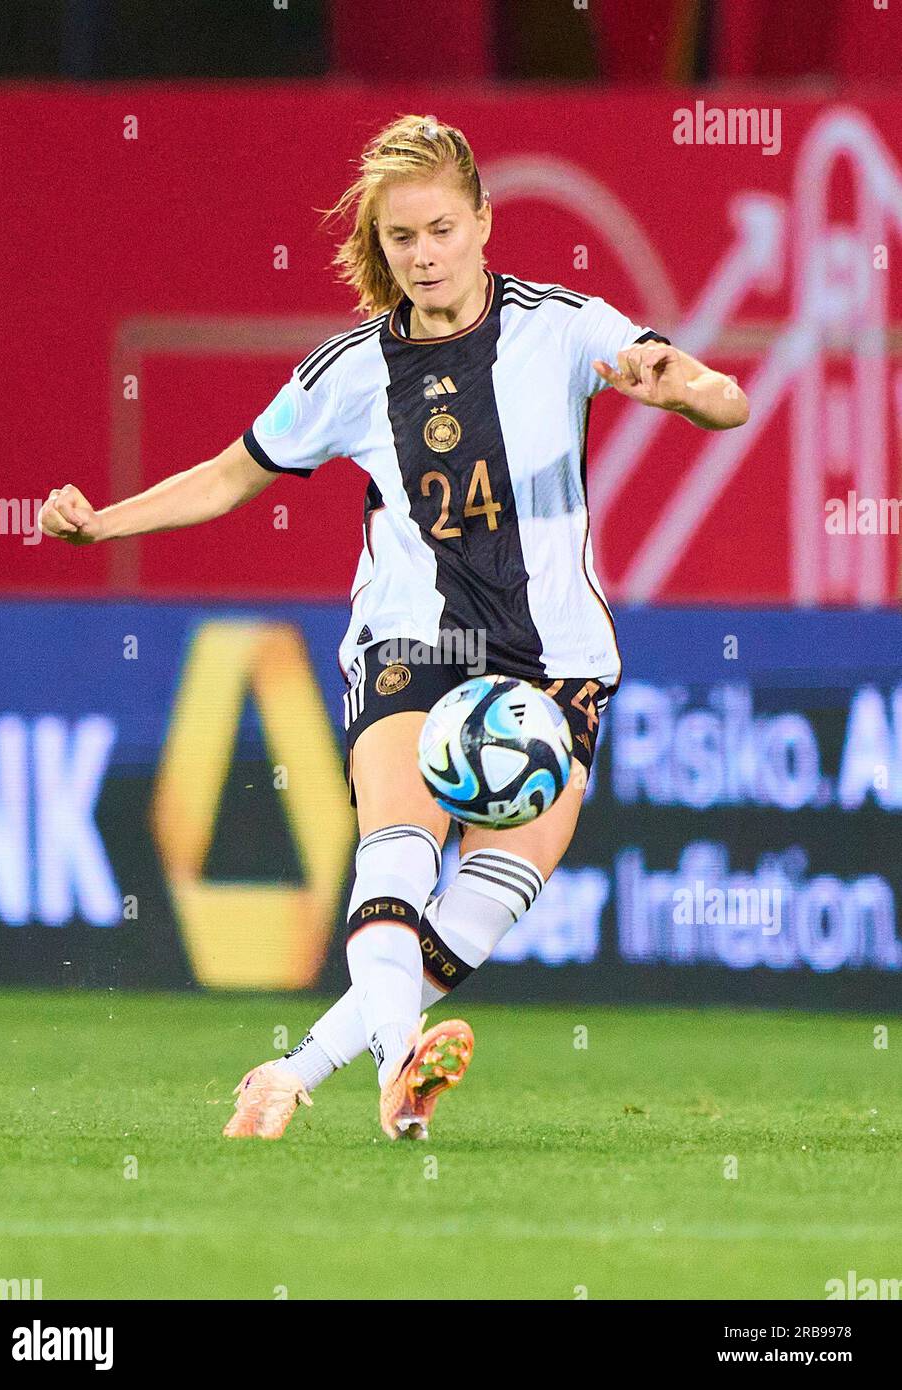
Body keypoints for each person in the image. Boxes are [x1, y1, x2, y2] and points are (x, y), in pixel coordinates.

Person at [39, 114, 749, 1143]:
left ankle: (288, 1075)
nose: (422, 255)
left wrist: (688, 391)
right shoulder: (350, 373)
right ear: (381, 247)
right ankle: (396, 1068)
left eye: (440, 230)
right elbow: (235, 474)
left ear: (482, 224)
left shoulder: (561, 324)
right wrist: (104, 520)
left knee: (477, 915)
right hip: (414, 648)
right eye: (401, 238)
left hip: (557, 668)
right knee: (398, 857)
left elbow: (701, 387)